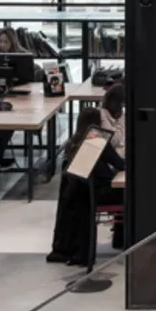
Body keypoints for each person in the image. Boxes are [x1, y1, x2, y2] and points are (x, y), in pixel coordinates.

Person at [47, 108, 125, 265]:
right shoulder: (97, 138)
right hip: (99, 193)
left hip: (83, 194)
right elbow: (120, 164)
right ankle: (122, 239)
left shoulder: (74, 141)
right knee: (132, 193)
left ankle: (120, 239)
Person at [98, 82, 125, 159]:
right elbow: (114, 141)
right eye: (122, 103)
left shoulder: (118, 114)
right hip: (113, 160)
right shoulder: (102, 116)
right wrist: (121, 120)